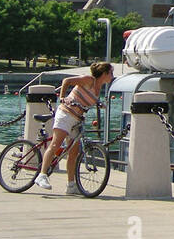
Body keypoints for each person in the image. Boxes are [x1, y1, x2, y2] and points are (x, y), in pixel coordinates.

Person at [34, 61, 114, 193]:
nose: (112, 75)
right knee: (55, 144)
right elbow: (67, 81)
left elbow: (88, 97)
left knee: (74, 153)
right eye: (110, 72)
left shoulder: (99, 88)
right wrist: (62, 97)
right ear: (104, 73)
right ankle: (42, 175)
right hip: (65, 114)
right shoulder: (89, 80)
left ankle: (71, 185)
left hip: (77, 120)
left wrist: (98, 103)